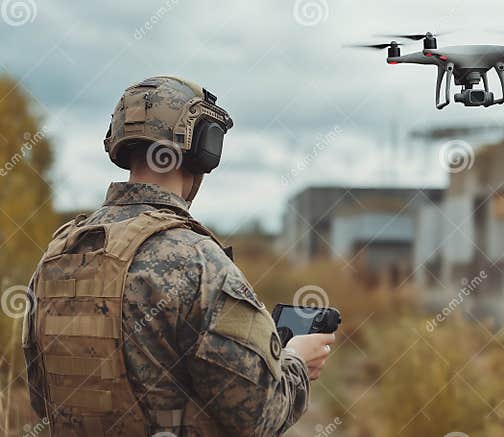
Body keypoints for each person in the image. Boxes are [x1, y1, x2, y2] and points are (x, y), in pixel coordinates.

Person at [22, 76, 335, 436]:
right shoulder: (198, 261)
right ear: (202, 148)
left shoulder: (57, 256)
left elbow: (40, 396)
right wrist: (296, 362)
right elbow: (260, 416)